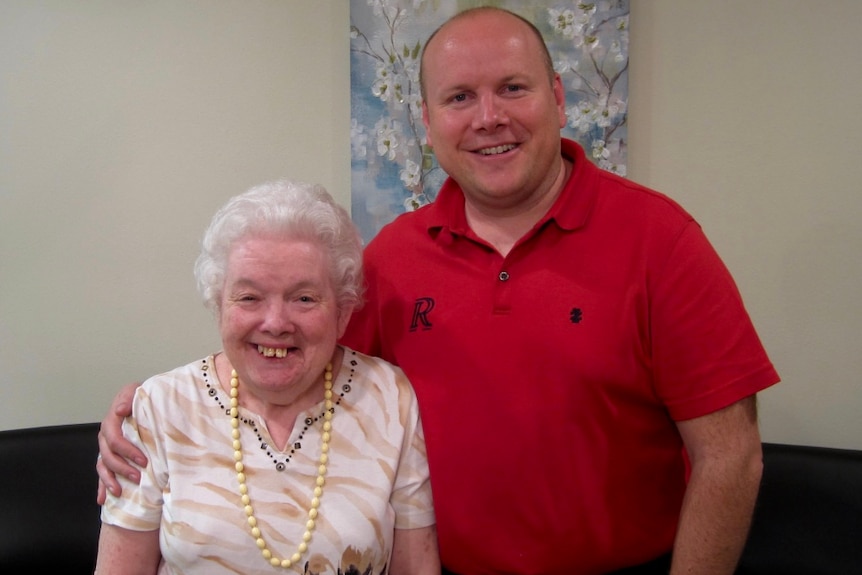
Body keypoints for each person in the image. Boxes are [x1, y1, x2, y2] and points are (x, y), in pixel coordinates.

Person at [97, 7, 779, 574]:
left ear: (559, 98)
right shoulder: (390, 258)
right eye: (459, 97)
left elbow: (730, 453)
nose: (488, 117)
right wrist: (148, 413)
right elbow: (292, 361)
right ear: (428, 122)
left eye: (513, 87)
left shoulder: (661, 239)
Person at [94, 180, 439, 574]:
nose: (275, 323)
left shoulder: (388, 398)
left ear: (343, 312)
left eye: (304, 298)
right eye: (249, 298)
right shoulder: (160, 408)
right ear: (218, 305)